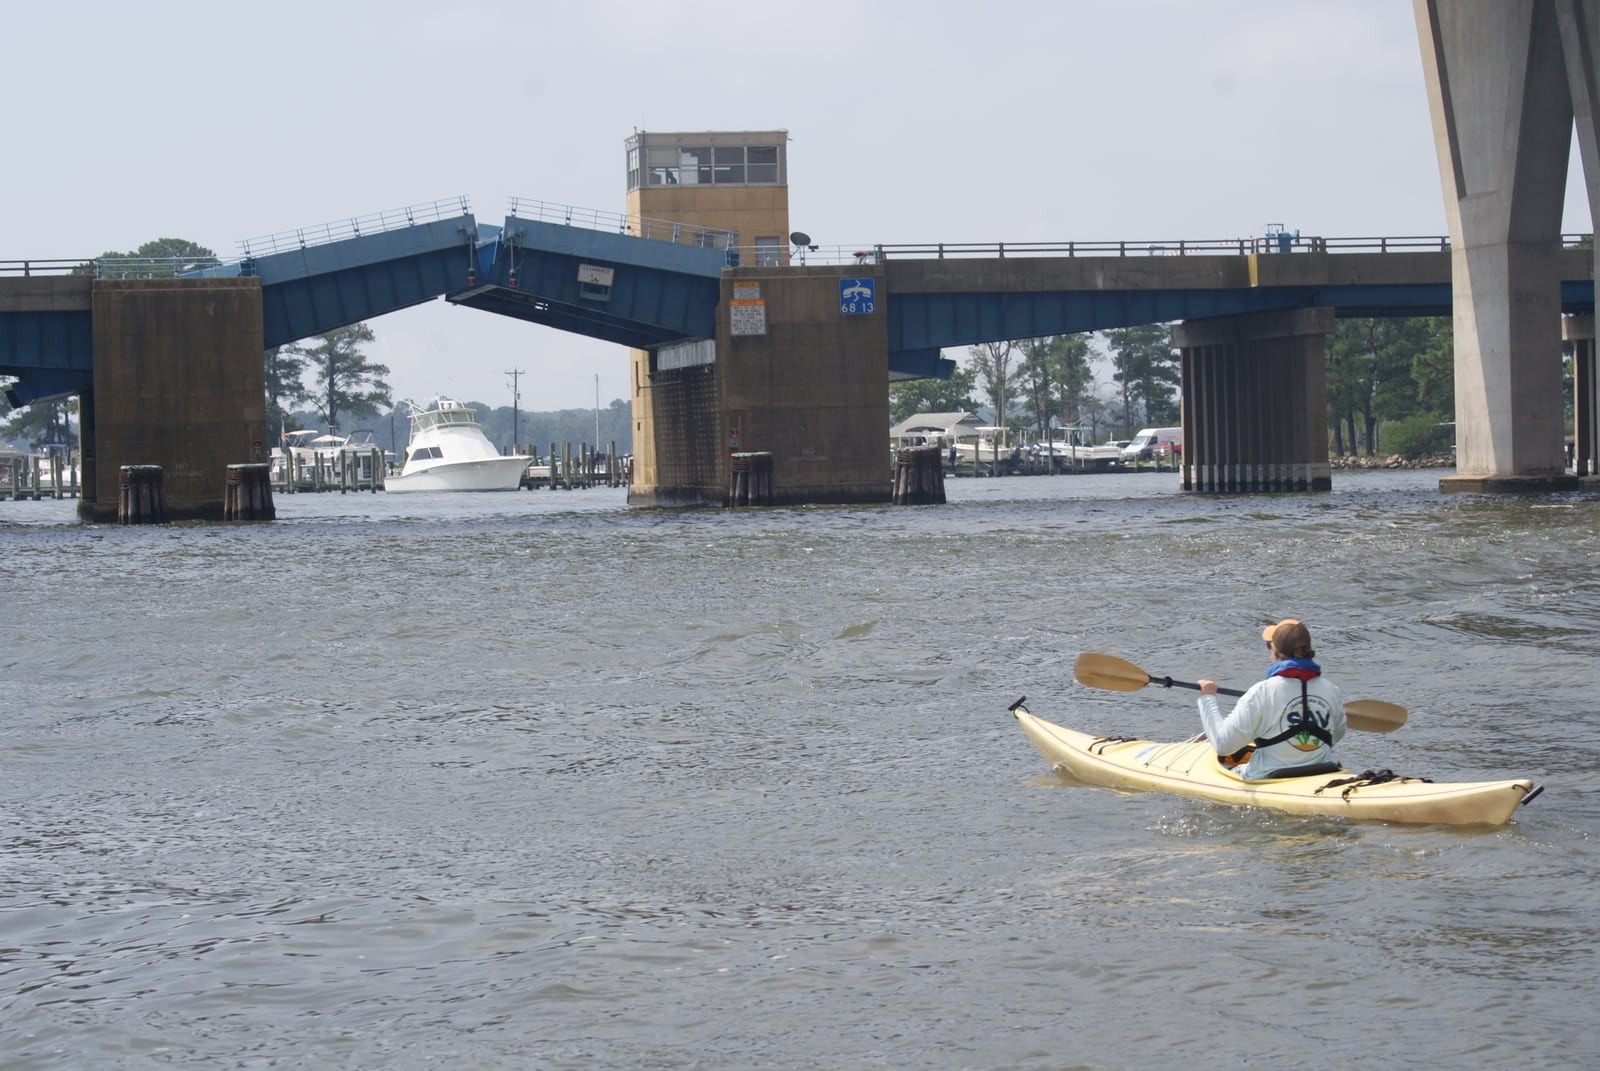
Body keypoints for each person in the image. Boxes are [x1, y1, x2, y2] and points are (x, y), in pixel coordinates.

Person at [1196, 619, 1347, 780]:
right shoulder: (1331, 690)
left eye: (1269, 646)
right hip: (1324, 771)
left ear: (1277, 651)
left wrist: (1207, 697)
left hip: (1270, 777)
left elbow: (1223, 745)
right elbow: (1336, 735)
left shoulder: (1261, 691)